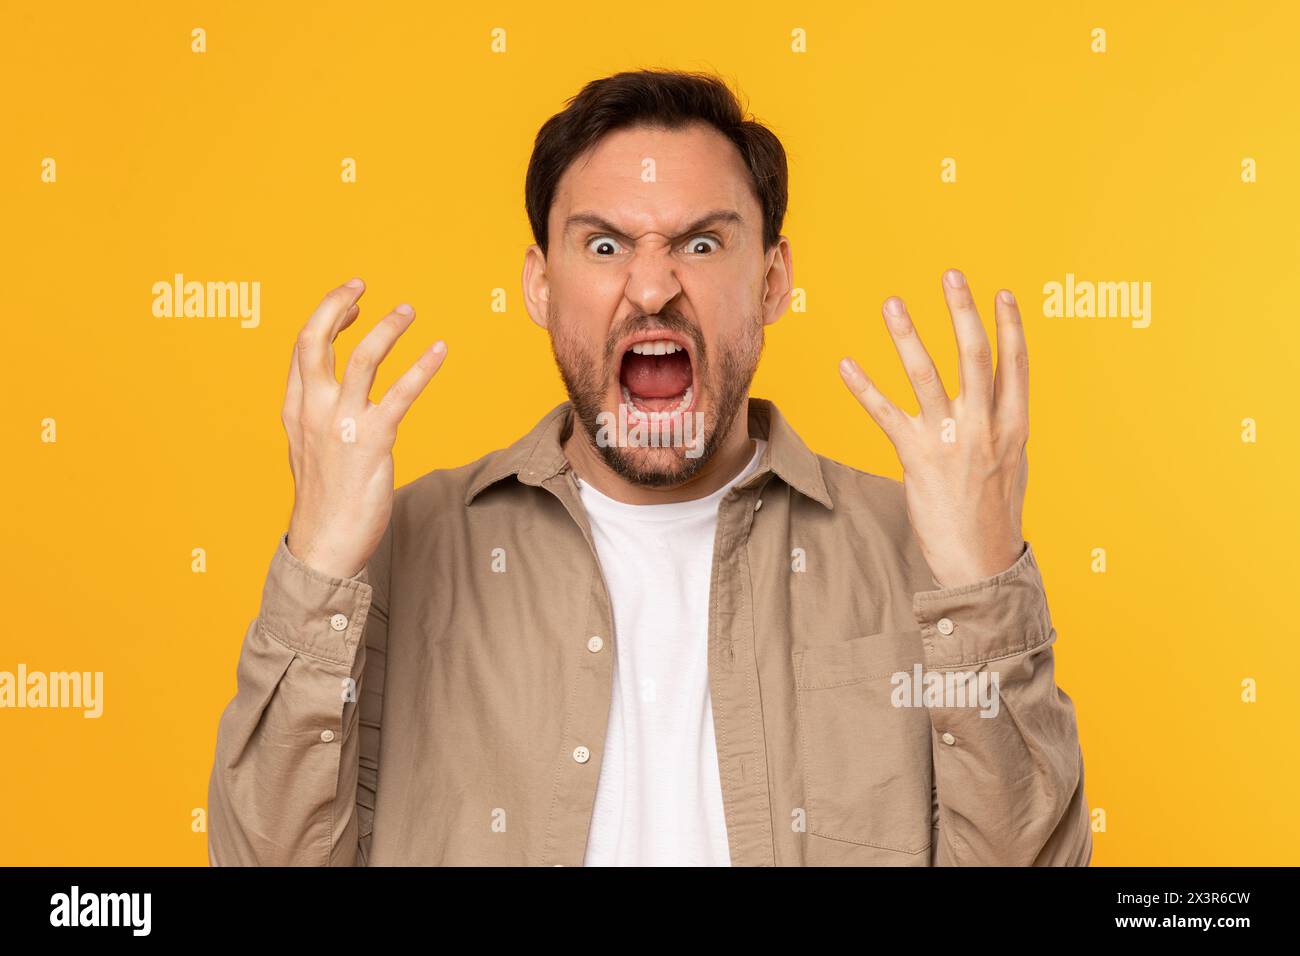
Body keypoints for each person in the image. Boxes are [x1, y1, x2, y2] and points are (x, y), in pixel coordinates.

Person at [207, 68, 1091, 866]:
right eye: (604, 246)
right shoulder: (398, 551)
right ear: (539, 286)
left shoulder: (921, 555)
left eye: (703, 244)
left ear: (774, 280)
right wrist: (317, 567)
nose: (654, 285)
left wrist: (983, 586)